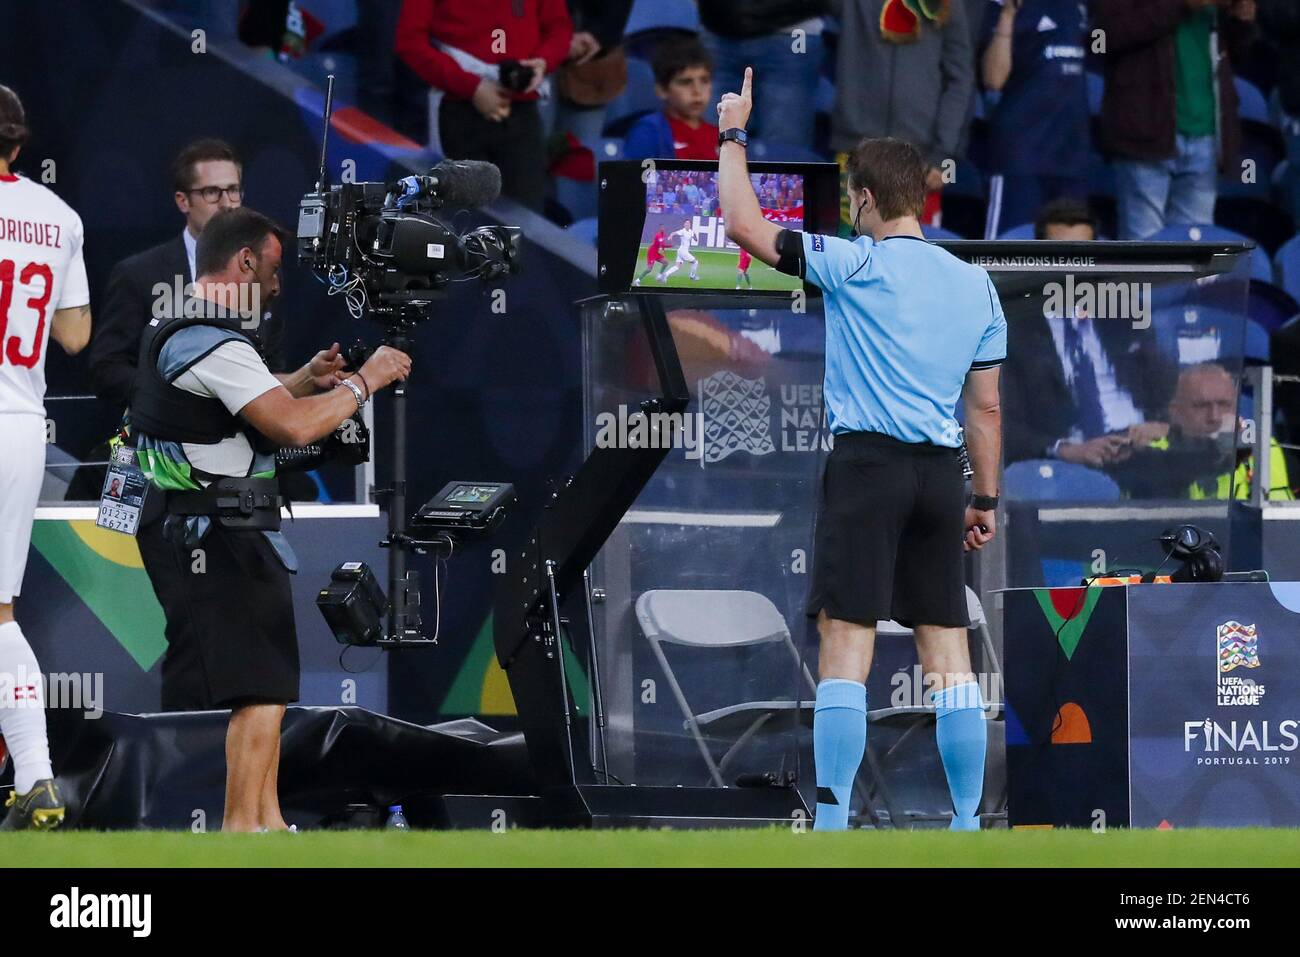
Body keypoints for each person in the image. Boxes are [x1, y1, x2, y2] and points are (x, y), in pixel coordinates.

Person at [718, 69, 1007, 831]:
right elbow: (985, 407)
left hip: (869, 467)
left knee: (846, 641)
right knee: (949, 651)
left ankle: (835, 818)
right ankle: (969, 823)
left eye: (853, 202)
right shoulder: (974, 285)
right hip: (942, 476)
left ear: (867, 201)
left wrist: (732, 132)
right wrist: (984, 498)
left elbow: (744, 226)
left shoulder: (855, 262)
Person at [128, 207, 412, 830]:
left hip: (204, 521)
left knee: (267, 683)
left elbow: (237, 400)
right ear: (246, 261)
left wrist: (306, 379)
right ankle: (242, 826)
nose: (279, 286)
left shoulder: (180, 324)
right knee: (259, 685)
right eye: (275, 269)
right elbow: (289, 425)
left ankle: (268, 821)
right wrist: (367, 381)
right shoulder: (216, 341)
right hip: (216, 525)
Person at [0, 84, 93, 831]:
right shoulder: (59, 217)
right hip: (22, 424)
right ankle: (35, 774)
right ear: (20, 145)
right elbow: (75, 336)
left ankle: (34, 770)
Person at [1001, 199, 1177, 466]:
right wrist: (1066, 450)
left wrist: (1162, 425)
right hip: (1065, 466)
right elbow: (1001, 422)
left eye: (1081, 253)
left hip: (1140, 452)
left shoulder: (1123, 312)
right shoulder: (1014, 324)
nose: (1072, 265)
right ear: (1038, 258)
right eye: (1060, 255)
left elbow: (1165, 389)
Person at [1095, 0, 1257, 239]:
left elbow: (1238, 56)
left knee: (1196, 256)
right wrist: (1181, 5)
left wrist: (1241, 21)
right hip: (1145, 130)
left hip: (1207, 131)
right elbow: (1102, 40)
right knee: (1146, 257)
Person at [394, 0, 573, 212]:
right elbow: (410, 41)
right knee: (461, 220)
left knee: (526, 221)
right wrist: (472, 87)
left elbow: (559, 27)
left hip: (522, 114)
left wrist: (543, 62)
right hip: (458, 113)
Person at [827, 0, 973, 229]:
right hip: (855, 150)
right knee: (850, 246)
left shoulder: (946, 4)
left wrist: (943, 154)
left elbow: (960, 80)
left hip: (919, 159)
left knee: (914, 254)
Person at [979, 0, 1090, 237]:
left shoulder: (1080, 6)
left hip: (1072, 156)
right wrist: (1008, 15)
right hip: (1021, 157)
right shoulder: (1003, 6)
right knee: (1007, 254)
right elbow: (993, 78)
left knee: (1075, 258)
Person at [1147, 362, 1293, 500]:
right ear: (1175, 412)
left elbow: (1275, 519)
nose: (1214, 417)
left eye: (1224, 404)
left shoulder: (1260, 446)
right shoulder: (1150, 453)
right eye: (1201, 405)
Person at [624, 37, 719, 162]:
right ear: (662, 90)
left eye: (704, 81)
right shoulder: (648, 132)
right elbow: (635, 180)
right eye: (685, 82)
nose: (697, 91)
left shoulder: (719, 135)